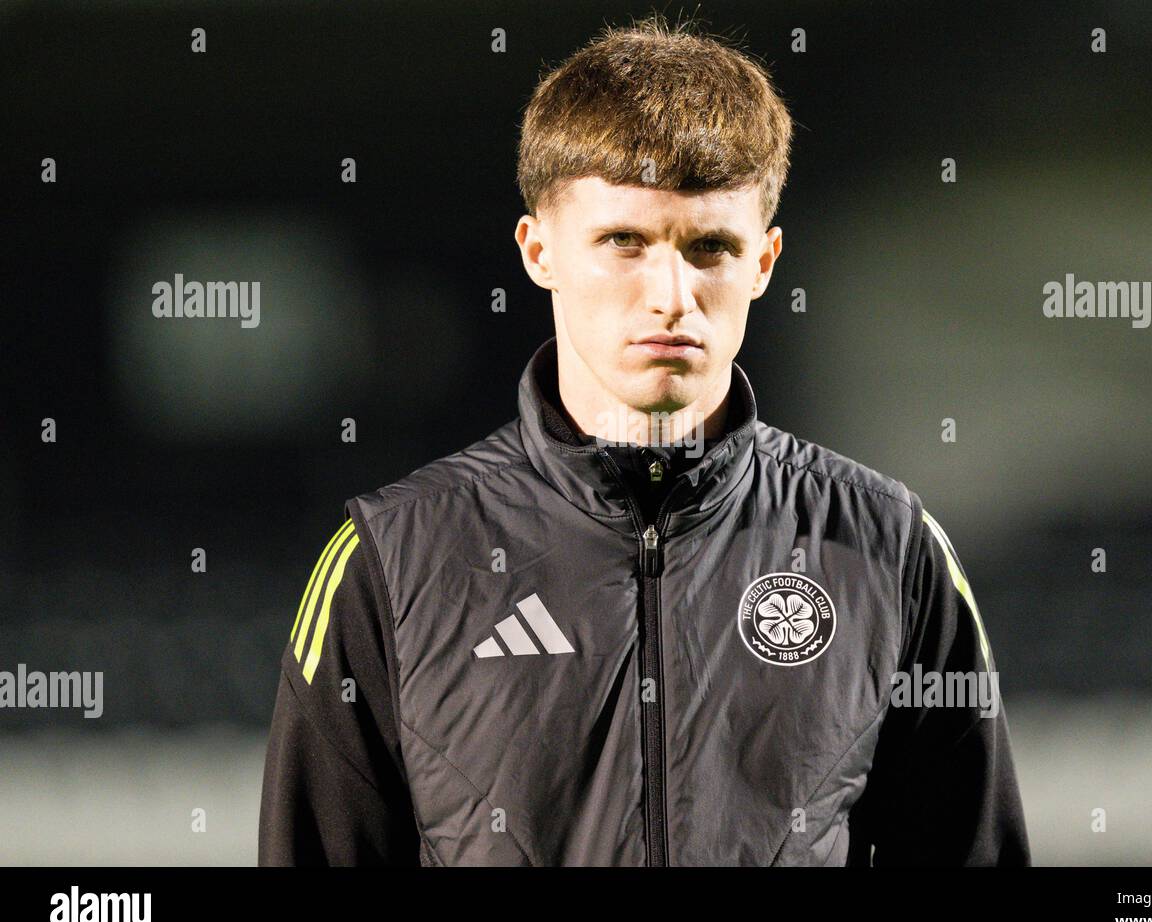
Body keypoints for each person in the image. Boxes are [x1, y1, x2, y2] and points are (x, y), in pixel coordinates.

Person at [259, 14, 1030, 866]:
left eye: (711, 248)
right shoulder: (392, 561)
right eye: (624, 241)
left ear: (765, 262)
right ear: (538, 249)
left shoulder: (887, 550)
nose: (671, 293)